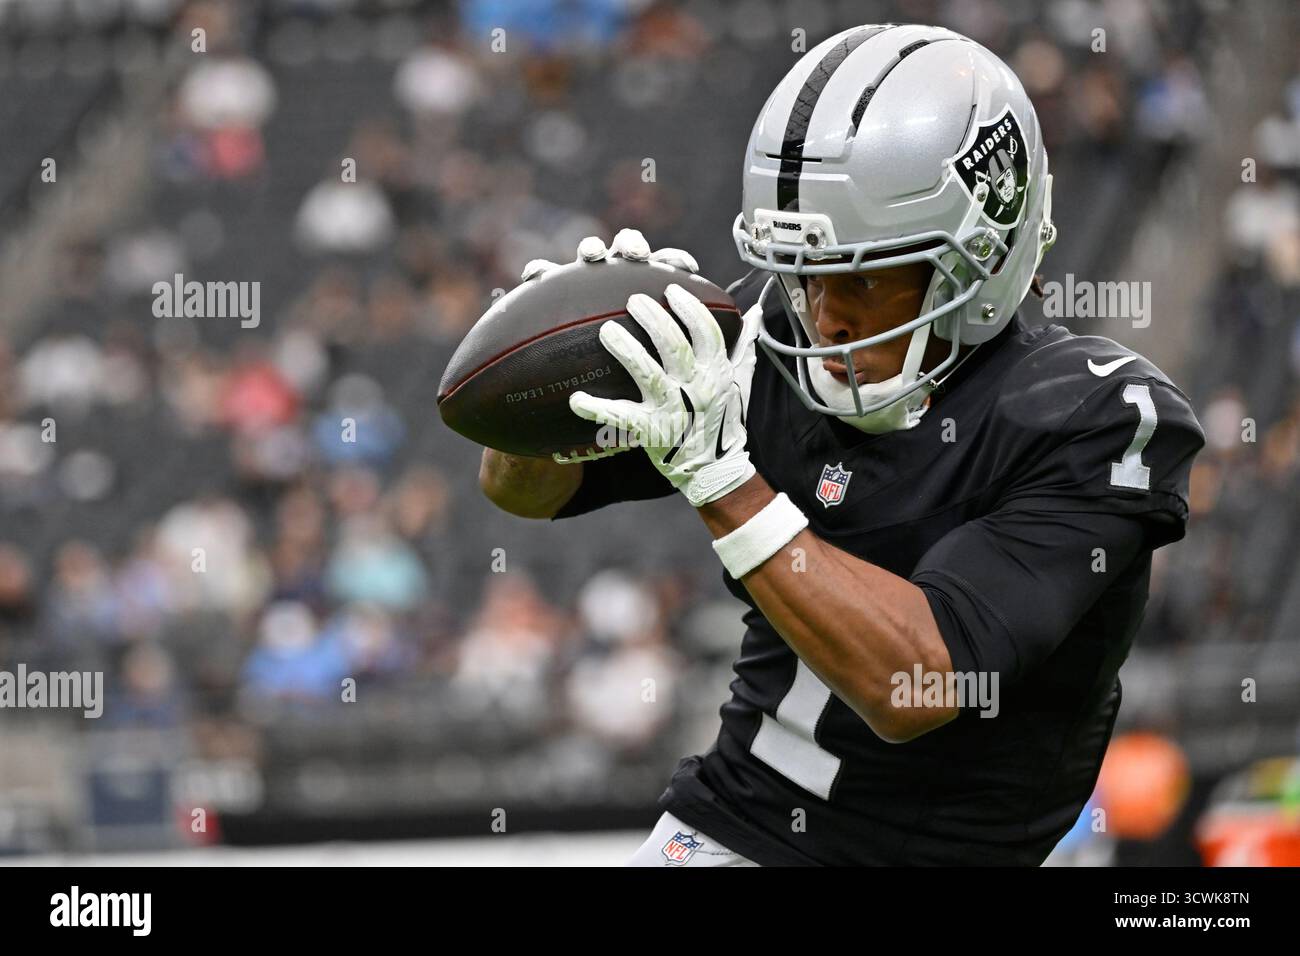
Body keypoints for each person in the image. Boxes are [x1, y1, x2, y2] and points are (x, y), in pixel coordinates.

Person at [477, 24, 1204, 866]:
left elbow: (913, 683)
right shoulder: (765, 348)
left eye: (861, 277)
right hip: (735, 834)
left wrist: (723, 481)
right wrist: (563, 372)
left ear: (982, 256)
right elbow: (519, 490)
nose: (823, 321)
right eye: (804, 275)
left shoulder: (1096, 414)